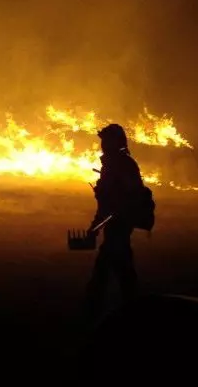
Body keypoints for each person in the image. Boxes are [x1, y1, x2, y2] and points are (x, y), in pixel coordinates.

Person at [84, 123, 145, 321]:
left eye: (106, 140)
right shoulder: (114, 164)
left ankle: (92, 310)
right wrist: (96, 223)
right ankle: (129, 306)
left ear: (115, 142)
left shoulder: (121, 165)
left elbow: (125, 196)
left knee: (109, 265)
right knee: (120, 265)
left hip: (120, 222)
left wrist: (100, 221)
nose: (102, 145)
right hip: (116, 223)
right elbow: (106, 200)